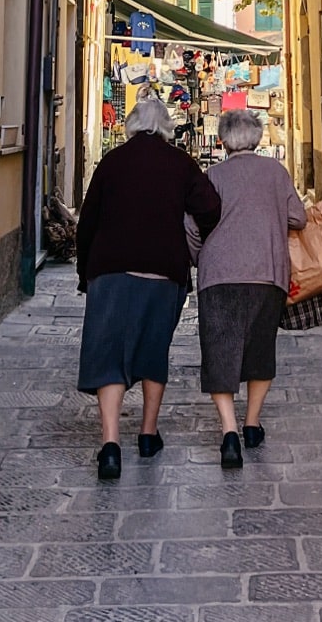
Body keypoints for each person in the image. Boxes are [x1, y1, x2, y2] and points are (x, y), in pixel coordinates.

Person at [75, 91, 222, 480]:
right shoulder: (181, 163)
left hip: (110, 270)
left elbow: (87, 222)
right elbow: (211, 207)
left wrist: (84, 273)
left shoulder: (112, 162)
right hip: (163, 271)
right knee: (154, 351)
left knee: (108, 354)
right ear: (166, 128)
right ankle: (147, 433)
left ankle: (110, 445)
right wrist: (194, 240)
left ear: (132, 126)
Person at [195, 107, 308, 468]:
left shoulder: (211, 176)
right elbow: (298, 218)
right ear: (256, 138)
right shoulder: (276, 172)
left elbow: (191, 228)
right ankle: (252, 424)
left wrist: (201, 258)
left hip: (219, 276)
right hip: (267, 273)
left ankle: (229, 432)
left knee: (219, 352)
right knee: (260, 351)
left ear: (223, 140)